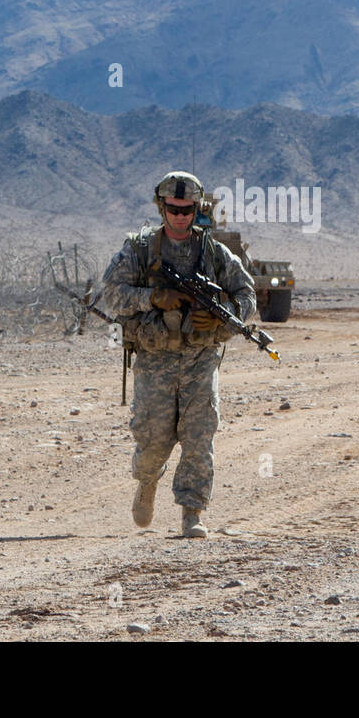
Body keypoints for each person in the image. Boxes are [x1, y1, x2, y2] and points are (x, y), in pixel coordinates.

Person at [98, 171, 257, 538]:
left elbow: (246, 297)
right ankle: (148, 482)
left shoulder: (215, 253)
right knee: (153, 440)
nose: (181, 216)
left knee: (199, 435)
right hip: (155, 358)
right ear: (161, 207)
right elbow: (112, 294)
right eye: (173, 209)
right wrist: (152, 297)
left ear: (197, 208)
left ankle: (192, 512)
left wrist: (219, 308)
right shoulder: (139, 250)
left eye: (187, 209)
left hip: (201, 356)